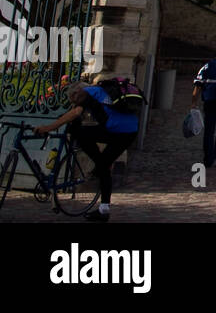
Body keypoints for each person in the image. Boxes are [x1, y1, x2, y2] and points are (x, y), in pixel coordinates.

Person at [35, 77, 139, 222]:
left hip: (119, 131)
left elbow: (75, 113)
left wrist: (48, 128)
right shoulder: (100, 91)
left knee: (81, 134)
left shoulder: (87, 92)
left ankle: (97, 165)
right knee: (103, 167)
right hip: (130, 130)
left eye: (72, 98)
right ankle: (104, 209)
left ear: (77, 92)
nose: (73, 102)